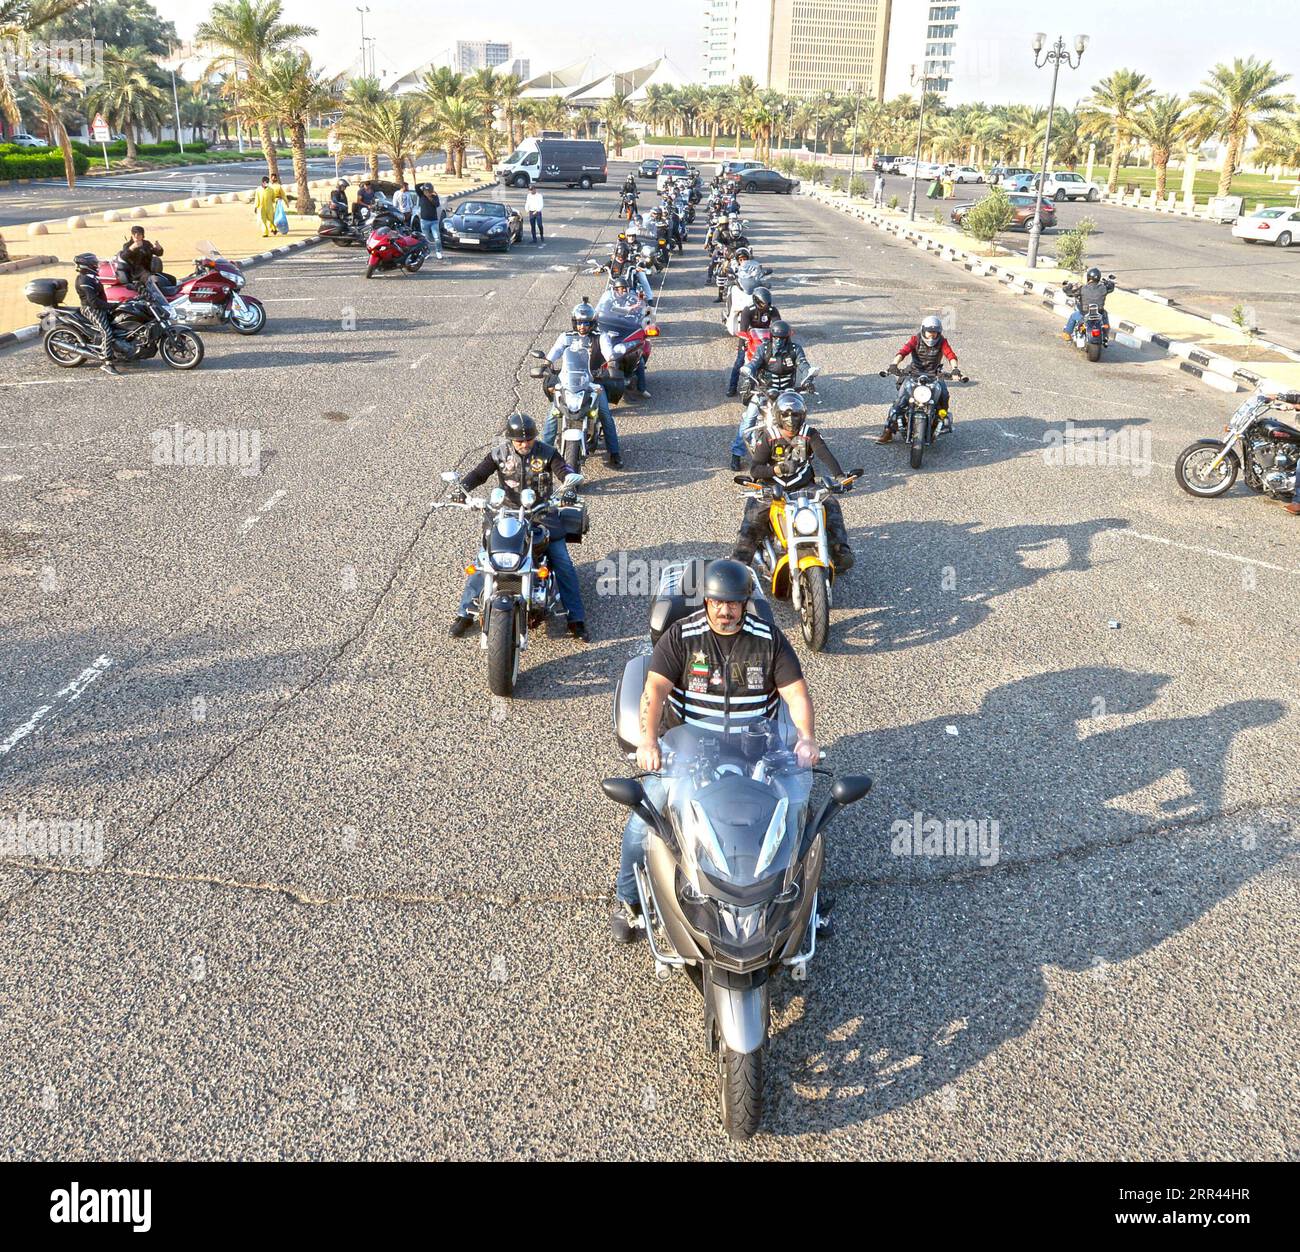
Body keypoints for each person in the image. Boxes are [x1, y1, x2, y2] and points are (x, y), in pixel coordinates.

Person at [609, 558, 819, 941]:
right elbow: (654, 692)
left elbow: (796, 694)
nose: (726, 611)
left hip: (755, 745)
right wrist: (649, 742)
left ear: (745, 602)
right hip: (690, 746)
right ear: (706, 601)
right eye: (718, 603)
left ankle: (804, 900)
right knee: (645, 817)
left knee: (799, 808)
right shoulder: (681, 636)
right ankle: (628, 901)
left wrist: (806, 738)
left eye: (734, 603)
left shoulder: (769, 638)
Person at [448, 414, 589, 640]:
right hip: (507, 514)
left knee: (562, 561)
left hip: (541, 514)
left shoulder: (547, 452)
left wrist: (570, 484)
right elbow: (479, 473)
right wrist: (462, 488)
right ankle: (465, 613)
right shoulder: (499, 454)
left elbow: (563, 469)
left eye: (529, 439)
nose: (525, 444)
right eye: (519, 441)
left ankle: (576, 618)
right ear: (510, 440)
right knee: (484, 560)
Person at [733, 391, 856, 571]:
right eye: (785, 414)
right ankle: (738, 567)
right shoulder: (768, 436)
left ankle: (840, 550)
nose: (790, 419)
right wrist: (776, 469)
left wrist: (839, 476)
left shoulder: (810, 434)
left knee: (831, 505)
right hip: (772, 489)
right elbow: (755, 468)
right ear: (778, 415)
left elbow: (825, 455)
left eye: (795, 414)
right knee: (751, 521)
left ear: (803, 415)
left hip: (804, 487)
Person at [541, 301, 623, 467]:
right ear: (574, 322)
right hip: (568, 381)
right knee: (553, 415)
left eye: (586, 323)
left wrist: (612, 363)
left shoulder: (601, 337)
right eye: (579, 322)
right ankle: (543, 454)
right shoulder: (566, 337)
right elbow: (555, 352)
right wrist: (547, 363)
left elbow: (608, 352)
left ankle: (614, 452)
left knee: (605, 414)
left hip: (592, 382)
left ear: (592, 323)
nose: (582, 326)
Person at [731, 319, 809, 470]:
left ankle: (801, 453)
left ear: (787, 338)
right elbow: (753, 364)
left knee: (800, 419)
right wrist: (749, 375)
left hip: (787, 393)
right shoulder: (764, 348)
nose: (778, 341)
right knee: (749, 420)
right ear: (771, 336)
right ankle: (737, 453)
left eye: (782, 338)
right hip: (764, 391)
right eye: (776, 337)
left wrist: (808, 378)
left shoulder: (795, 349)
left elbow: (804, 365)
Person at [878, 314, 961, 443]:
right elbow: (903, 352)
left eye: (935, 332)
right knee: (900, 401)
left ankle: (939, 421)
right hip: (914, 373)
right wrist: (894, 364)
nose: (932, 335)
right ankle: (888, 431)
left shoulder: (942, 341)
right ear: (923, 330)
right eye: (929, 332)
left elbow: (950, 355)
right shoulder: (915, 339)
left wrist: (955, 369)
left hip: (934, 375)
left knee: (944, 396)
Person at [599, 276, 652, 399]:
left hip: (627, 333)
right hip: (609, 331)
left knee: (638, 359)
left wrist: (645, 311)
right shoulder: (609, 301)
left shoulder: (634, 300)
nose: (622, 291)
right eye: (619, 289)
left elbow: (645, 315)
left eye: (624, 289)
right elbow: (604, 311)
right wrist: (629, 309)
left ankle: (642, 388)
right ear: (614, 290)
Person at [725, 284, 778, 398]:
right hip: (749, 338)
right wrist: (743, 344)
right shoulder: (748, 310)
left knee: (776, 361)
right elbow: (743, 329)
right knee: (740, 361)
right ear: (757, 301)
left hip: (765, 339)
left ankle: (776, 385)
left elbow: (777, 325)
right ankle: (732, 387)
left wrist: (779, 337)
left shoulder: (772, 310)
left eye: (768, 303)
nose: (766, 306)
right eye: (764, 303)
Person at [73, 253, 120, 375]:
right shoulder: (84, 279)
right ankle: (107, 362)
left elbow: (102, 296)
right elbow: (93, 301)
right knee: (106, 332)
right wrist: (110, 306)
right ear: (87, 265)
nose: (96, 265)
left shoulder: (92, 277)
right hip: (91, 309)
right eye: (94, 263)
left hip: (100, 306)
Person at [1062, 267, 1115, 341]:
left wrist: (1067, 287)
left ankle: (1067, 333)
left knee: (1073, 316)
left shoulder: (1082, 288)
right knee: (1105, 314)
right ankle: (1106, 334)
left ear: (1088, 277)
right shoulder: (1103, 288)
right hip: (1099, 313)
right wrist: (1109, 282)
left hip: (1085, 313)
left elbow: (1070, 293)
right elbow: (1111, 288)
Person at [415, 183, 443, 258]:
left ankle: (438, 251)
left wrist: (430, 197)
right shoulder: (421, 195)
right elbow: (416, 186)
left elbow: (437, 205)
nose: (426, 192)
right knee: (425, 239)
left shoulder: (434, 196)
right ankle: (427, 252)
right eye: (425, 190)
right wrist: (425, 183)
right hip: (424, 221)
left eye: (428, 190)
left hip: (434, 221)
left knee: (437, 237)